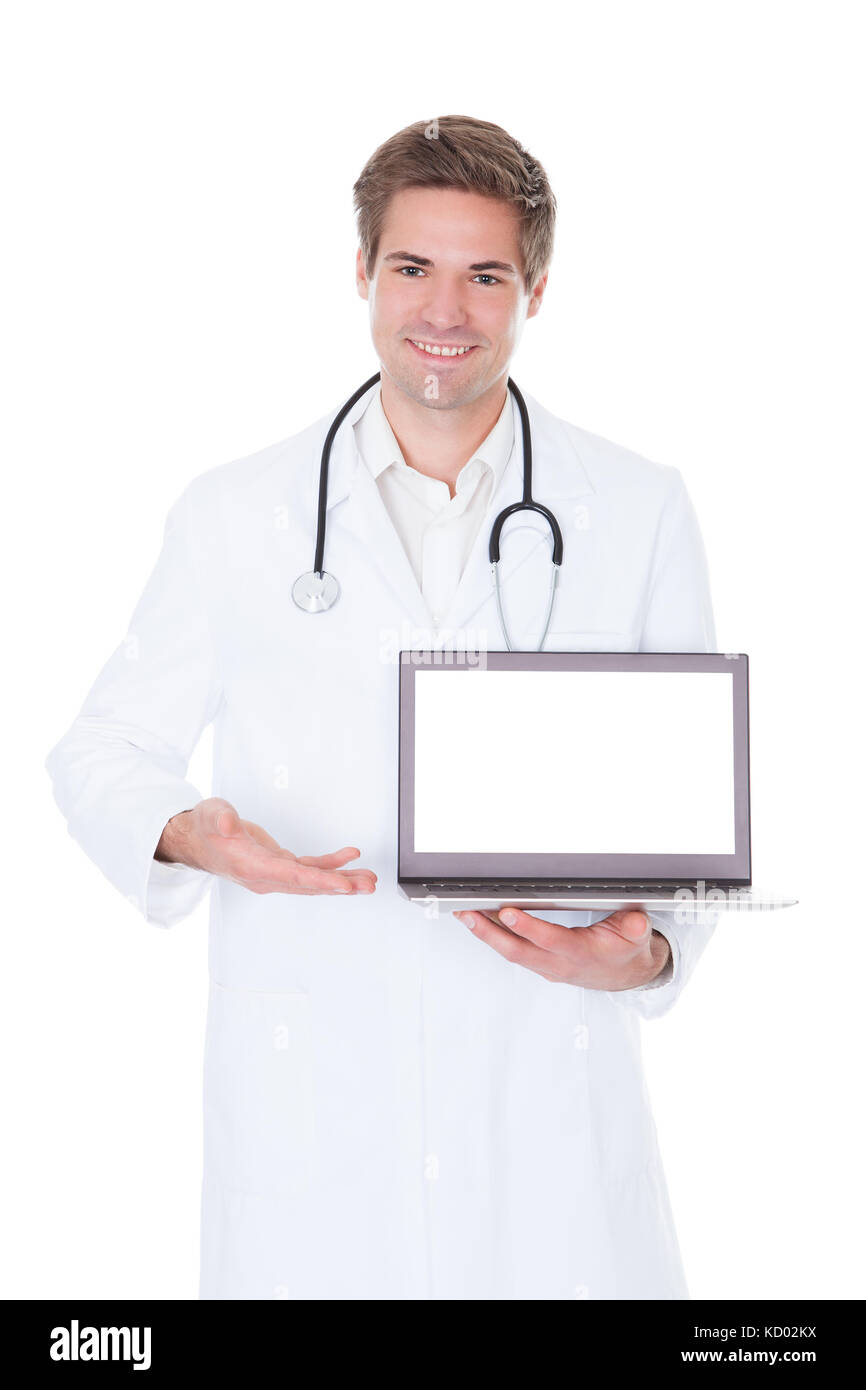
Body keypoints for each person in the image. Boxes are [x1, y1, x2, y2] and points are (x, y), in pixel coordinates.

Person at [46, 114, 718, 1300]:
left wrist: (649, 953)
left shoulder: (637, 507)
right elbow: (104, 745)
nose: (443, 311)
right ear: (361, 271)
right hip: (318, 1113)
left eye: (484, 275)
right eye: (411, 267)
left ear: (536, 290)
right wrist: (194, 829)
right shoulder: (233, 514)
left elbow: (684, 804)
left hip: (550, 1107)